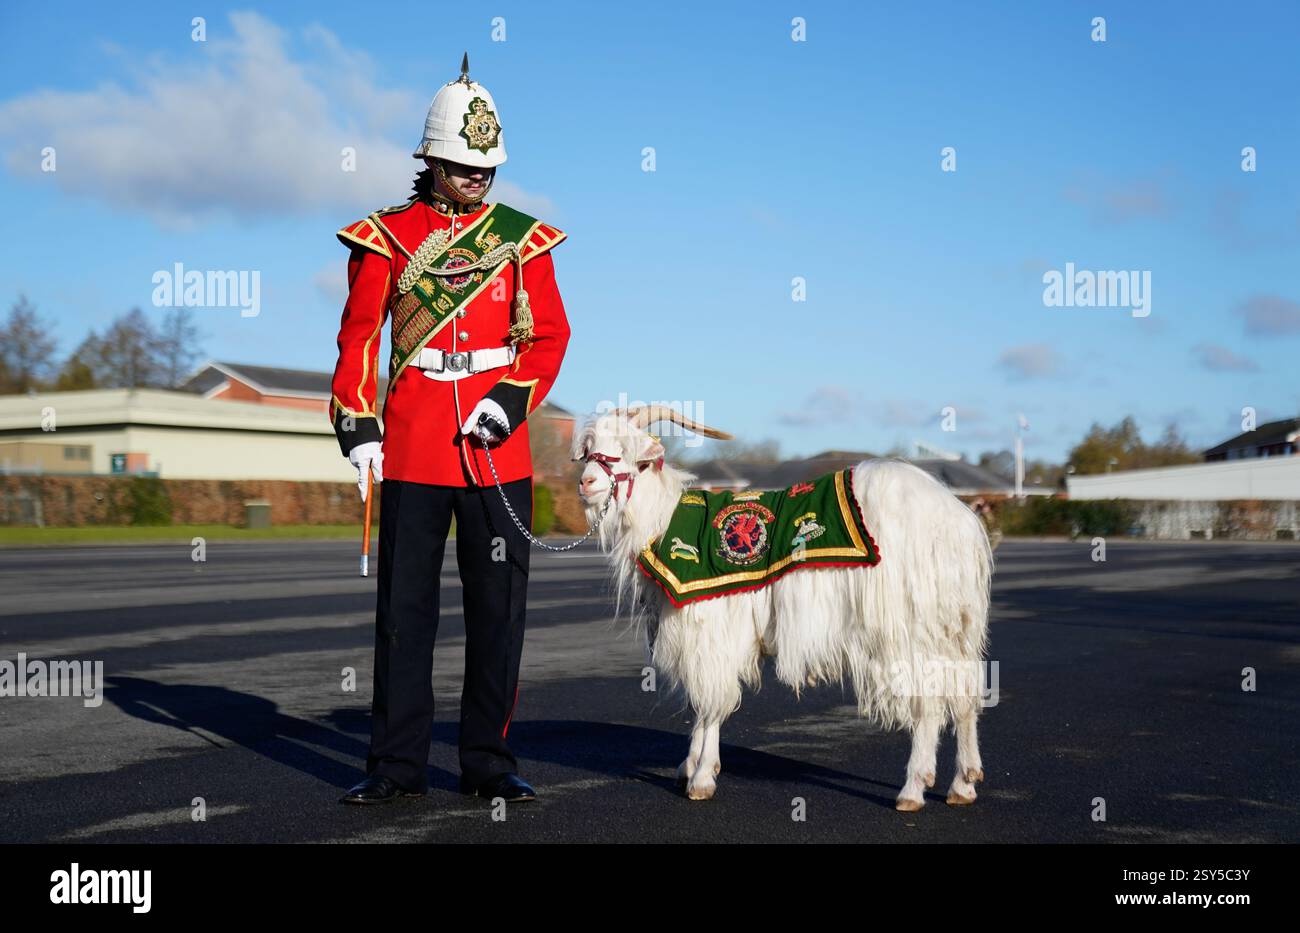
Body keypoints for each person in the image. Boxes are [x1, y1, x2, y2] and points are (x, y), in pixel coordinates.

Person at [330, 54, 571, 804]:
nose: (476, 176)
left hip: (496, 452)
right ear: (431, 159)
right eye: (464, 163)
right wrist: (358, 423)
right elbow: (361, 338)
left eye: (486, 165)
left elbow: (550, 336)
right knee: (404, 621)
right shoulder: (390, 238)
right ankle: (396, 768)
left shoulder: (523, 241)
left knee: (498, 619)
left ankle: (488, 764)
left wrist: (508, 402)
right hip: (410, 447)